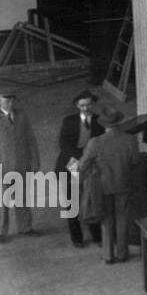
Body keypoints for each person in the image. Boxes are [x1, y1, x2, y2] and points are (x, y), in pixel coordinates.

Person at [77, 106, 140, 264]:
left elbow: (82, 165)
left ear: (103, 124)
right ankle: (122, 253)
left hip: (102, 186)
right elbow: (135, 162)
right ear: (118, 121)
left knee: (106, 220)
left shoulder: (95, 142)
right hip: (124, 183)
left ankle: (108, 255)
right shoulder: (131, 140)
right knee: (122, 218)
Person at [0, 90, 41, 242]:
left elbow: (31, 139)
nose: (10, 103)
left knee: (22, 198)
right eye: (6, 101)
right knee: (2, 200)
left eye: (12, 100)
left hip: (22, 164)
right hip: (2, 167)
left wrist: (35, 161)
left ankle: (25, 227)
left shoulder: (22, 116)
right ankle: (1, 231)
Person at [57, 90, 104, 248]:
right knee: (72, 201)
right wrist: (82, 157)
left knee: (92, 199)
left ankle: (97, 236)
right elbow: (63, 144)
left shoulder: (99, 121)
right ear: (77, 106)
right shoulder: (68, 121)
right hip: (70, 163)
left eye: (88, 105)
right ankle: (77, 238)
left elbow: (101, 143)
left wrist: (89, 159)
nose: (86, 108)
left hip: (90, 165)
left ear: (92, 104)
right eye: (82, 105)